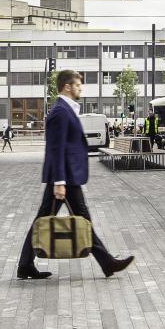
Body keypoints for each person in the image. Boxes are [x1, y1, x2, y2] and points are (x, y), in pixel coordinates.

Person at [16, 70, 134, 281]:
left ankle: (26, 265)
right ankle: (107, 262)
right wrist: (59, 181)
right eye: (78, 85)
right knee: (76, 219)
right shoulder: (60, 111)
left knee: (55, 219)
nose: (81, 89)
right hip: (65, 179)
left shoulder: (66, 109)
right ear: (67, 86)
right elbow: (56, 148)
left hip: (67, 177)